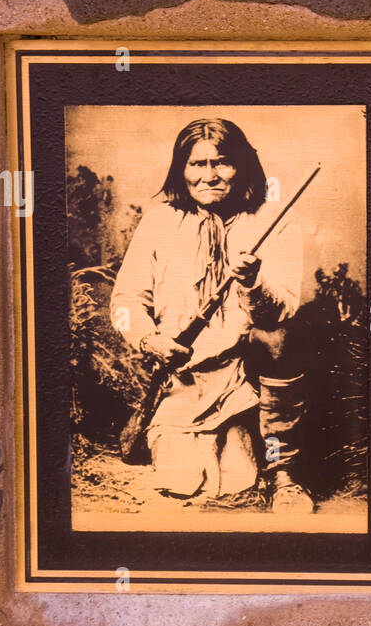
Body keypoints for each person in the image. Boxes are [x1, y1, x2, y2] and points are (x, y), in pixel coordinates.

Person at [109, 117, 314, 513]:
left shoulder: (277, 219)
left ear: (242, 167)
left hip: (247, 373)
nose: (209, 176)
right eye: (196, 164)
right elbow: (123, 304)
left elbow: (283, 310)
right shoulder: (158, 222)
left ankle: (283, 471)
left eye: (221, 162)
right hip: (182, 379)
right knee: (185, 480)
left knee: (276, 337)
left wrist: (253, 284)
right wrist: (151, 340)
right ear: (181, 169)